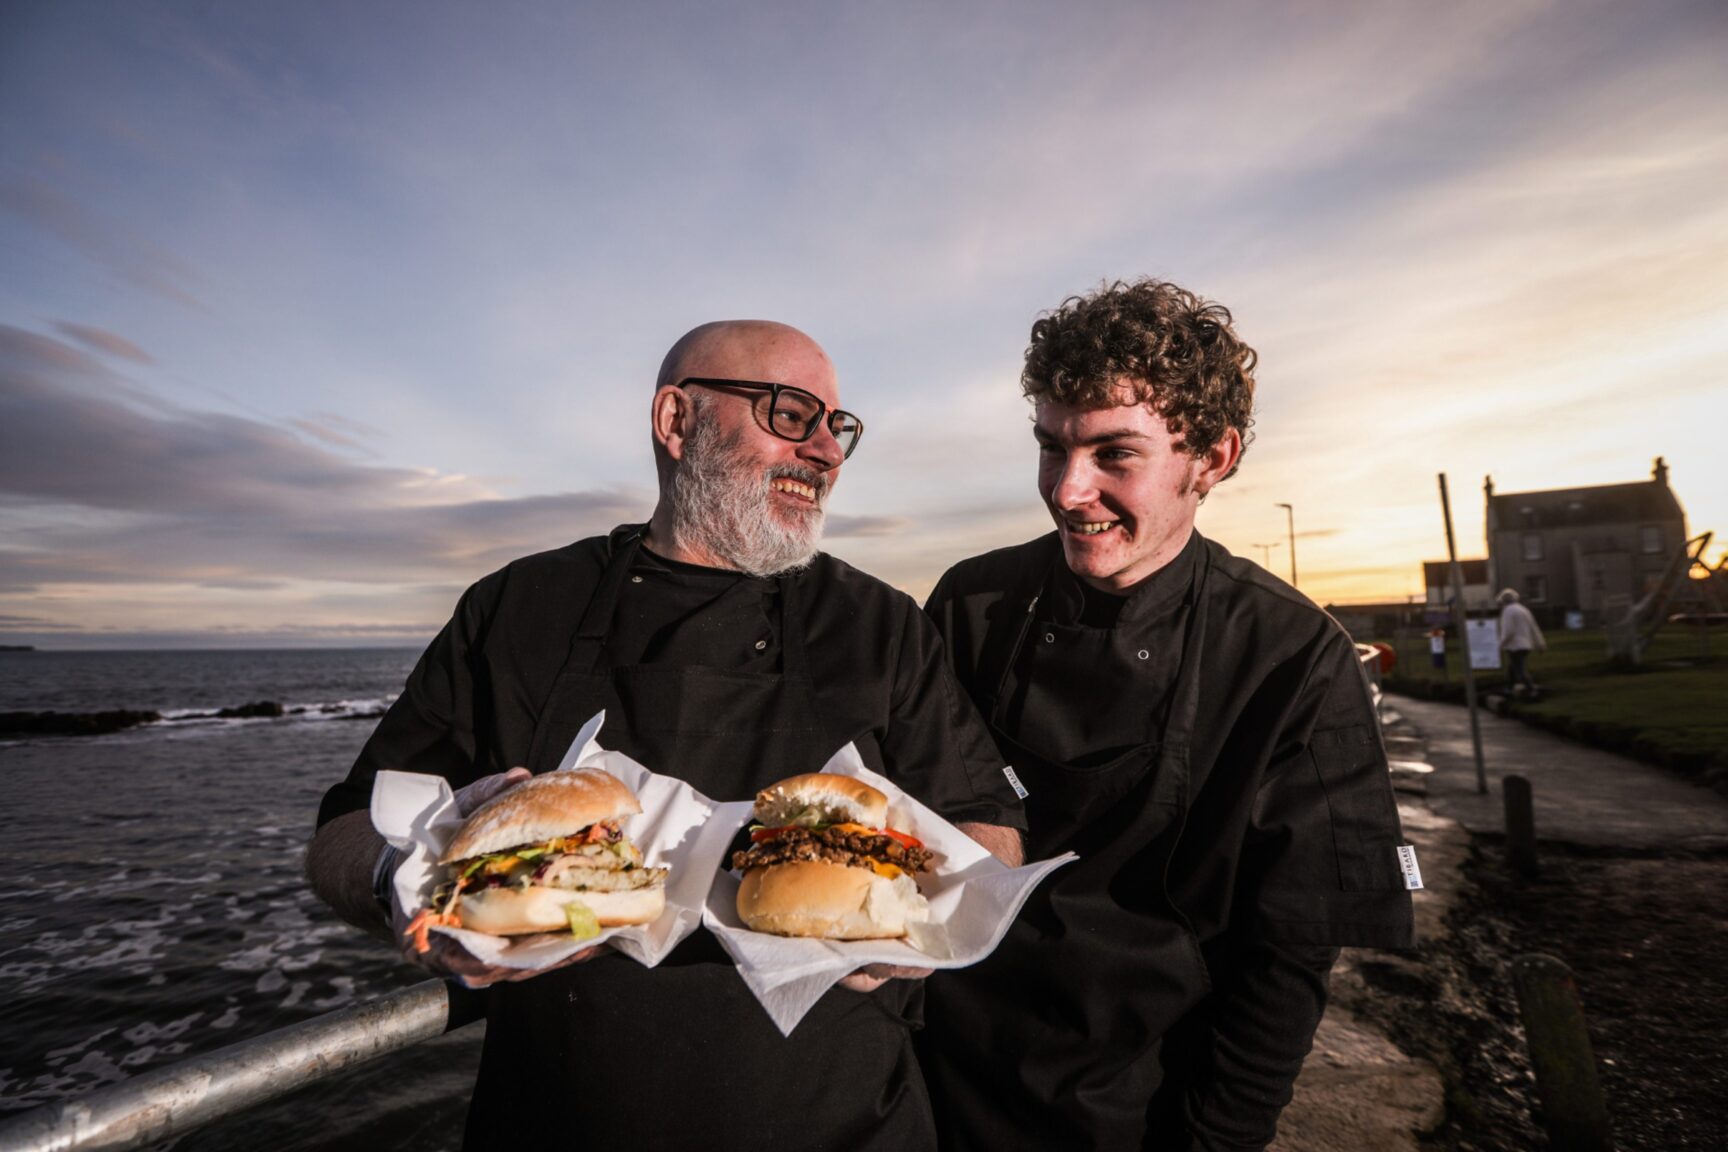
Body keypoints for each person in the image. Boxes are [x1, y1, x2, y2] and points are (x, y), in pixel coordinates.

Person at [305, 320, 1025, 1151]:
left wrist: (925, 929)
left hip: (849, 1123)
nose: (826, 451)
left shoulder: (880, 624)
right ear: (677, 421)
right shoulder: (518, 608)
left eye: (838, 426)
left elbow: (987, 828)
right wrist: (408, 886)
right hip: (557, 1124)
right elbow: (340, 835)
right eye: (791, 414)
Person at [917, 279, 1416, 1150]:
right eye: (1051, 447)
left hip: (1127, 1105)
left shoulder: (1292, 660)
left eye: (1115, 454)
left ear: (1212, 459)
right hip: (932, 1076)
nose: (1069, 490)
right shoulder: (972, 603)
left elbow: (1286, 960)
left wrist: (1217, 1141)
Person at [1497, 587, 1546, 696]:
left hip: (1515, 645)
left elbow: (1508, 631)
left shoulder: (1508, 611)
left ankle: (1531, 689)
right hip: (1526, 644)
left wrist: (1501, 644)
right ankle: (1509, 687)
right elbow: (1534, 628)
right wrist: (1540, 643)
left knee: (1519, 670)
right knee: (1512, 667)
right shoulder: (1524, 609)